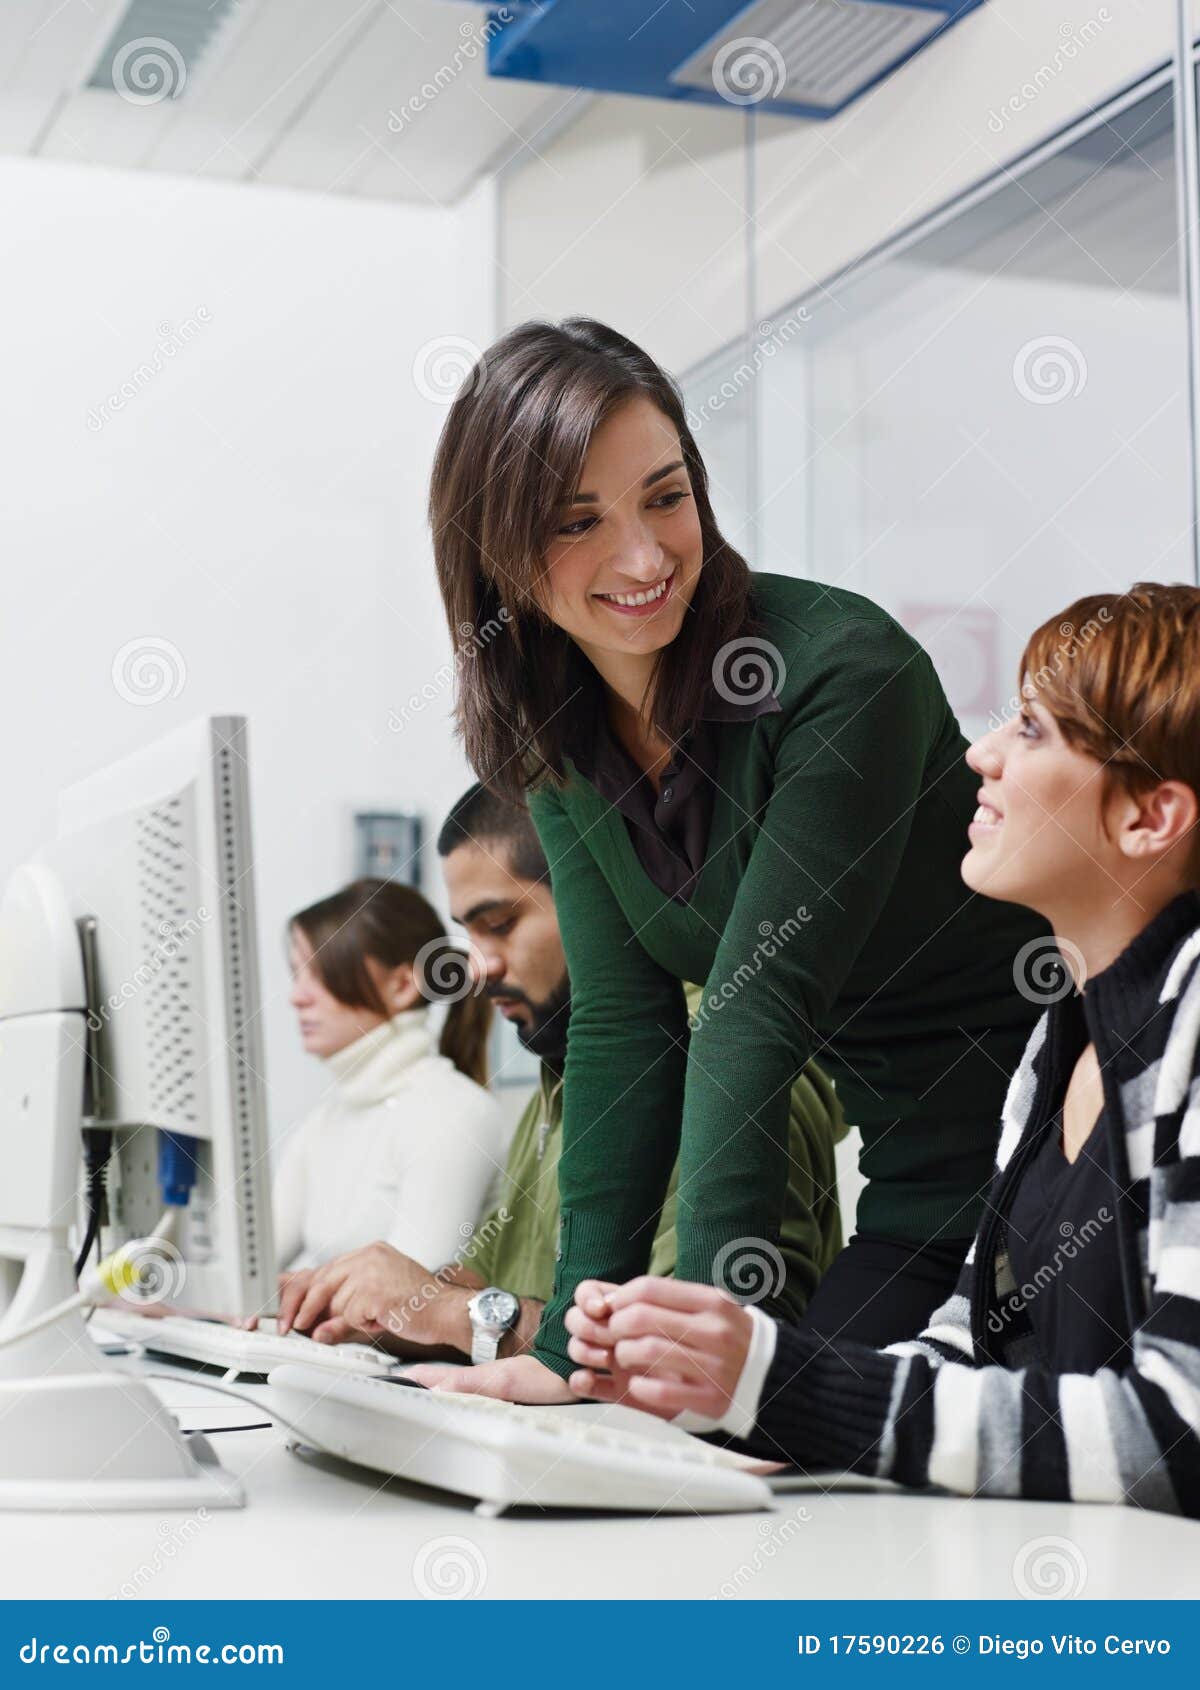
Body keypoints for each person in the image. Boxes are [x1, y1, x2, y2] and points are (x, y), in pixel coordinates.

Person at [423, 315, 1048, 1399]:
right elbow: (624, 1025)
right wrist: (572, 1350)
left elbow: (756, 1010)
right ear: (502, 558)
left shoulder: (841, 672)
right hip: (915, 1186)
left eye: (666, 497)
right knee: (770, 1447)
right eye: (581, 522)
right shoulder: (558, 743)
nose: (645, 555)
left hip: (1050, 1171)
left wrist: (708, 1356)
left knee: (781, 1435)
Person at [561, 584, 1200, 1519]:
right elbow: (975, 1338)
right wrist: (733, 1392)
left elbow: (1179, 1433)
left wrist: (794, 1390)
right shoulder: (1056, 1045)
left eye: (1029, 731)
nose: (980, 754)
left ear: (1150, 818)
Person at [275, 785, 847, 1357]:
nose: (477, 968)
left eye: (499, 923)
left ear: (597, 895)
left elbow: (699, 1356)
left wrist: (458, 1314)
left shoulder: (723, 1061)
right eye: (469, 933)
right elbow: (494, 1301)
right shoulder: (560, 1080)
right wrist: (383, 1310)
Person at [271, 876, 504, 1275]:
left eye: (320, 971)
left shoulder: (454, 1113)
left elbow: (403, 1301)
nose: (297, 996)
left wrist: (286, 1295)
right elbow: (248, 1272)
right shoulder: (326, 1121)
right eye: (297, 974)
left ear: (401, 986)